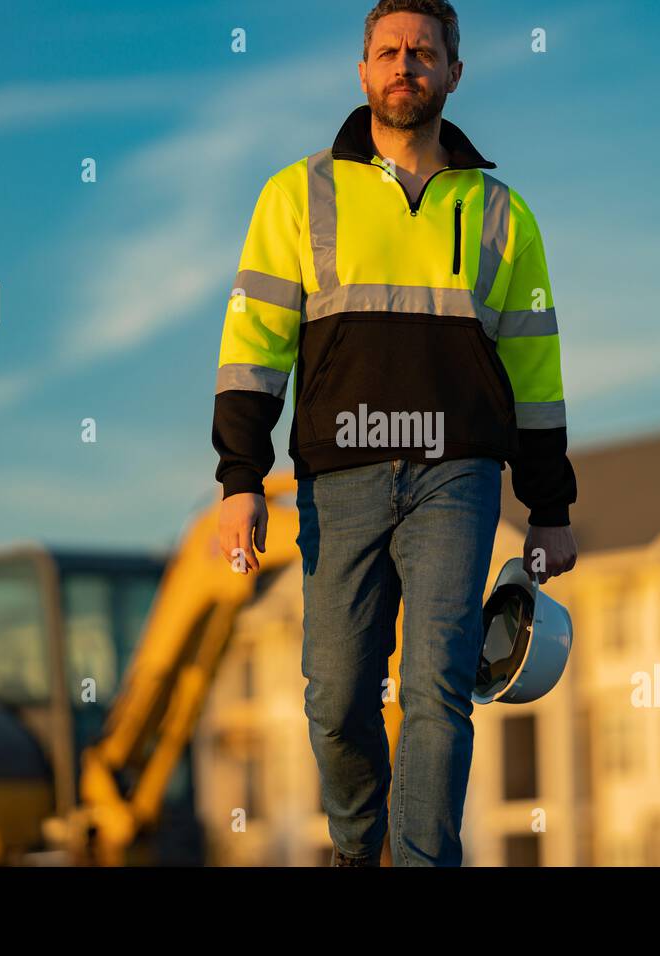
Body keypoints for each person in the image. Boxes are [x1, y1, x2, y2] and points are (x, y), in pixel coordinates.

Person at [211, 0, 577, 866]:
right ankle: (355, 848)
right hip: (337, 477)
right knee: (335, 695)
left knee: (436, 687)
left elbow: (536, 369)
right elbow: (253, 346)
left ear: (454, 72)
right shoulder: (297, 196)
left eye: (423, 52)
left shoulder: (502, 213)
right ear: (363, 71)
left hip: (460, 474)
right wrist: (238, 480)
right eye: (388, 51)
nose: (404, 64)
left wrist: (550, 505)